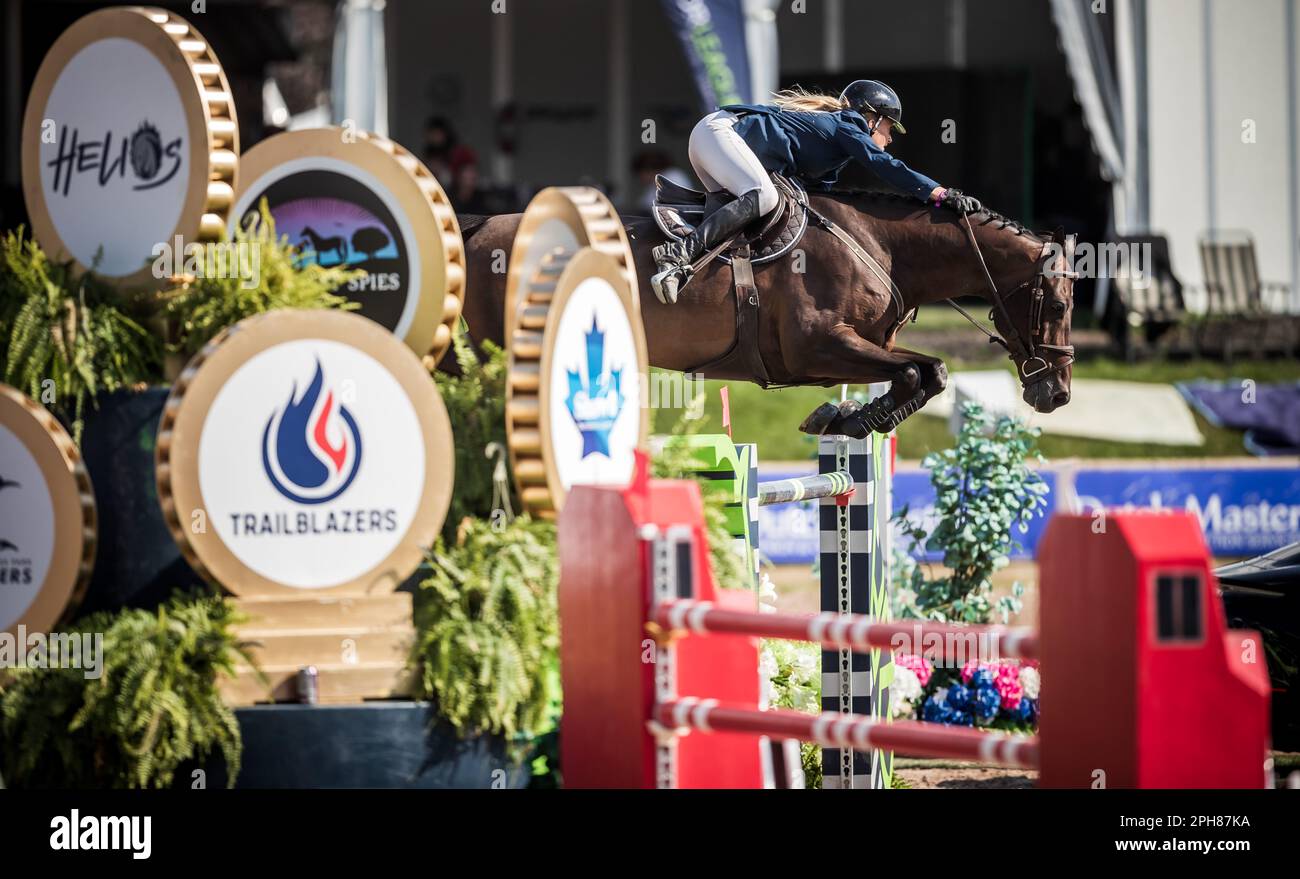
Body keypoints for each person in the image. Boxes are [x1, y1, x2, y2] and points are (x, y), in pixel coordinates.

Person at [650, 79, 983, 303]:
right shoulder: (848, 124)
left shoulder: (833, 154)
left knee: (755, 216)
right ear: (871, 117)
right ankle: (676, 254)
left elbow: (817, 199)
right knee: (763, 196)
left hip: (712, 140)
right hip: (718, 133)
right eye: (888, 127)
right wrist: (938, 194)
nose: (890, 137)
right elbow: (885, 165)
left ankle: (691, 278)